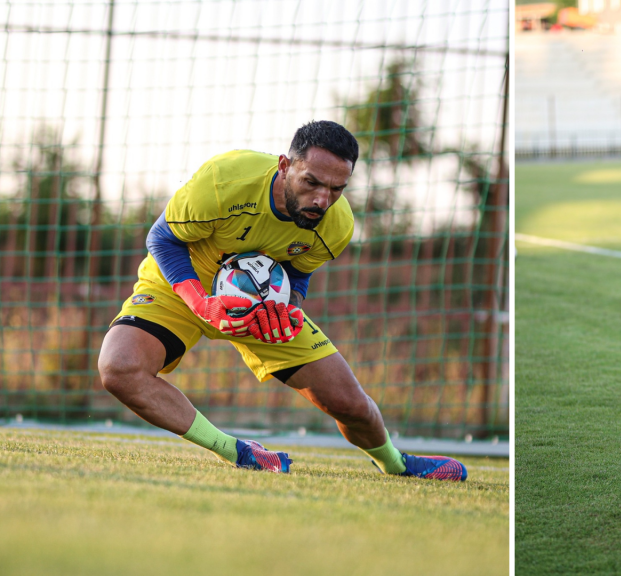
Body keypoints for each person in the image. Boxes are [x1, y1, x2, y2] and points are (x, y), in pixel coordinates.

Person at [97, 120, 467, 481]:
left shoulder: (336, 225)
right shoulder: (223, 181)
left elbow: (298, 271)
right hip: (182, 287)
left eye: (337, 189)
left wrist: (289, 308)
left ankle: (397, 463)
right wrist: (201, 303)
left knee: (350, 404)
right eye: (312, 182)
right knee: (119, 368)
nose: (322, 200)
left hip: (263, 308)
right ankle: (236, 451)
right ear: (285, 166)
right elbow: (162, 239)